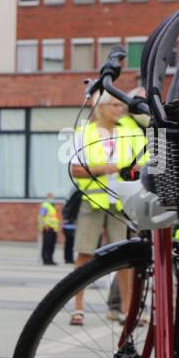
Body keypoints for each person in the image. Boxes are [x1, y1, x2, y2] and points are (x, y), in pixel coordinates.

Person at [70, 91, 145, 325]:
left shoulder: (128, 131)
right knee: (84, 253)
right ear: (101, 107)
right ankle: (78, 309)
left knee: (124, 258)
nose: (121, 109)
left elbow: (148, 157)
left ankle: (126, 310)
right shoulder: (84, 133)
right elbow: (75, 170)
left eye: (122, 105)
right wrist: (102, 168)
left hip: (119, 202)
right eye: (115, 105)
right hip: (92, 202)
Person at [38, 192, 60, 266]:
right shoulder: (45, 205)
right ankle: (46, 260)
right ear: (47, 197)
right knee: (47, 245)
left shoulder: (52, 206)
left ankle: (50, 259)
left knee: (52, 245)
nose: (53, 199)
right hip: (47, 228)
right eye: (52, 197)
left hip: (54, 228)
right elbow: (41, 216)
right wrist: (43, 226)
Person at [61, 188, 81, 265]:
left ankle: (69, 258)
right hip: (69, 227)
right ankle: (68, 259)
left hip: (69, 227)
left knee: (69, 244)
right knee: (69, 244)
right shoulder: (71, 206)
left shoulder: (68, 206)